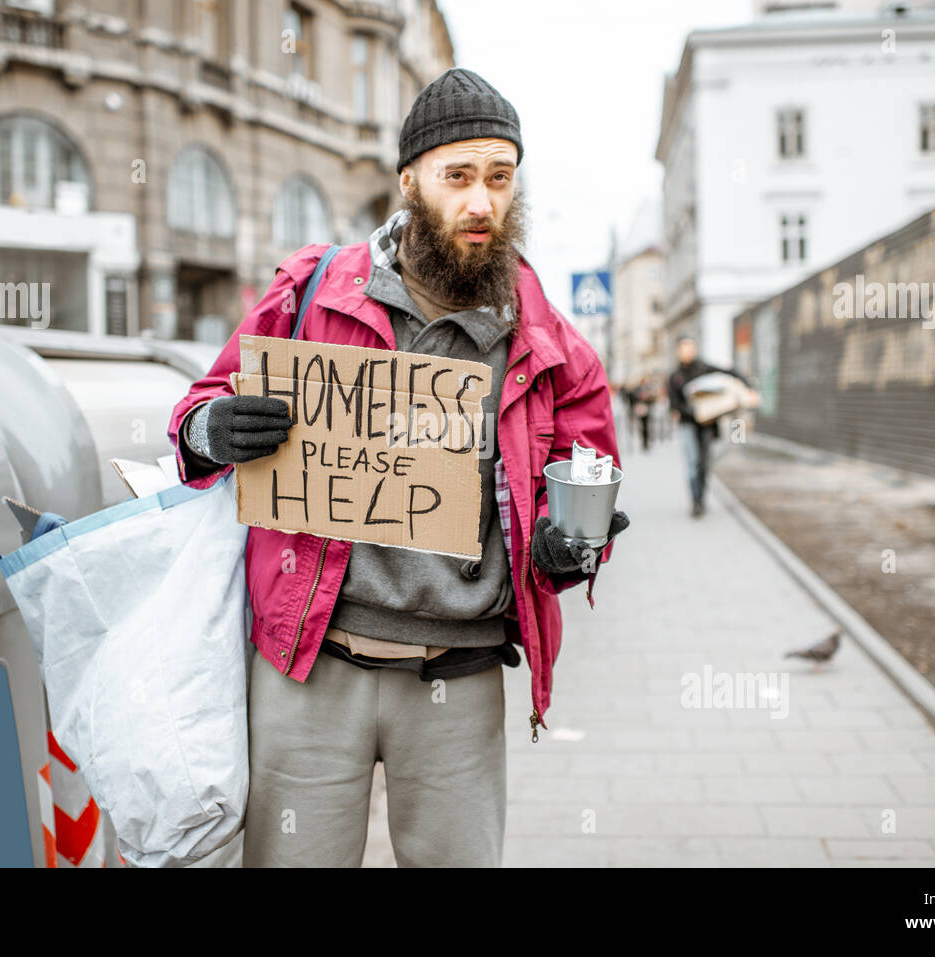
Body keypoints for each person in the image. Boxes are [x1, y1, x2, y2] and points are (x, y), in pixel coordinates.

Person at [166, 68, 629, 868]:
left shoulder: (551, 344)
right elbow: (197, 411)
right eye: (458, 177)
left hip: (460, 678)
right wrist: (213, 427)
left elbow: (587, 481)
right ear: (410, 179)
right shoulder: (310, 291)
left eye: (499, 178)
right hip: (309, 666)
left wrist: (566, 550)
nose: (481, 203)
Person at [667, 336, 755, 517]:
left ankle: (702, 498)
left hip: (707, 426)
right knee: (692, 464)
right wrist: (693, 413)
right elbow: (674, 405)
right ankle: (696, 501)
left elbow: (728, 371)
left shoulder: (704, 368)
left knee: (705, 463)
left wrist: (746, 384)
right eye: (684, 348)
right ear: (678, 351)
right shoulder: (675, 376)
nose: (687, 352)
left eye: (690, 348)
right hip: (688, 425)